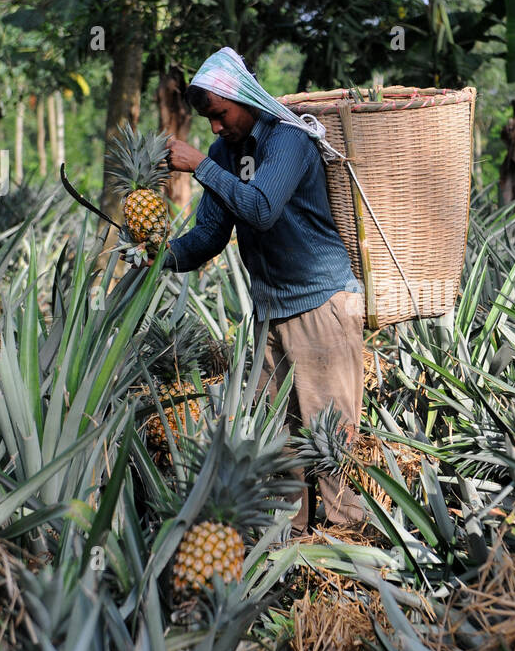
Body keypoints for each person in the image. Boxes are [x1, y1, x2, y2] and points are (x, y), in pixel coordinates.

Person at [155, 47, 366, 536]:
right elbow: (209, 235)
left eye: (219, 115)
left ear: (242, 97)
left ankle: (350, 572)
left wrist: (200, 166)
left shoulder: (288, 137)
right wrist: (160, 257)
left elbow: (262, 208)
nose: (214, 128)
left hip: (321, 307)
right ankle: (292, 561)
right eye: (207, 120)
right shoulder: (228, 153)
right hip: (272, 313)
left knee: (330, 449)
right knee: (281, 452)